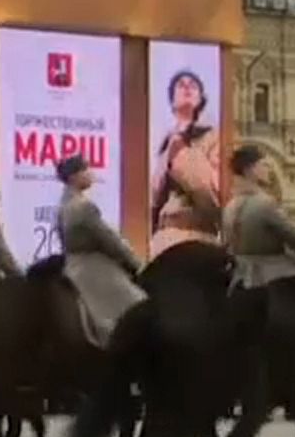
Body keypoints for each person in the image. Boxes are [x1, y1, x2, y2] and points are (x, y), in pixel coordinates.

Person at [55, 155, 146, 346]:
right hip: (93, 269)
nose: (90, 174)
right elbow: (110, 241)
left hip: (70, 267)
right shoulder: (84, 206)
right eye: (86, 169)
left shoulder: (62, 205)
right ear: (74, 176)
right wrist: (136, 263)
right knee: (138, 305)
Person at [223, 144, 295, 288]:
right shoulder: (265, 204)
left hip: (238, 279)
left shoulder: (230, 206)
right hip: (268, 279)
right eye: (264, 165)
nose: (269, 169)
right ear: (250, 170)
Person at [150, 69, 222, 255]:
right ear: (172, 100)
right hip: (161, 242)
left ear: (201, 99)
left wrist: (181, 153)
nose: (187, 87)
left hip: (196, 240)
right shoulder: (165, 143)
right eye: (181, 85)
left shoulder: (212, 137)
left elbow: (213, 195)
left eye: (193, 85)